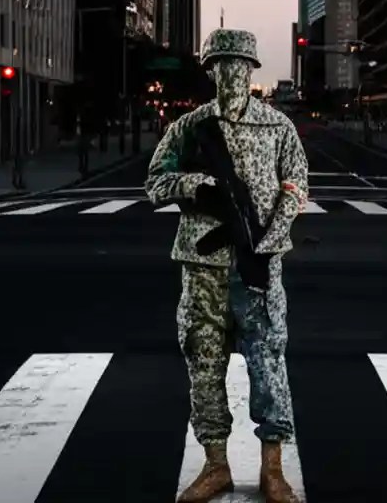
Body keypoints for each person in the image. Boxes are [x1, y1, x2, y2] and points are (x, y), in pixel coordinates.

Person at [145, 28, 308, 503]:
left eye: (239, 63)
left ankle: (272, 469)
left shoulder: (278, 128)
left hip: (258, 265)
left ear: (252, 70)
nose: (231, 71)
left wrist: (272, 237)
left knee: (268, 362)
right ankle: (215, 465)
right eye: (222, 63)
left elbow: (297, 184)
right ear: (211, 69)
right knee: (203, 360)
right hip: (202, 263)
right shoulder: (189, 127)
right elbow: (155, 183)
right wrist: (194, 185)